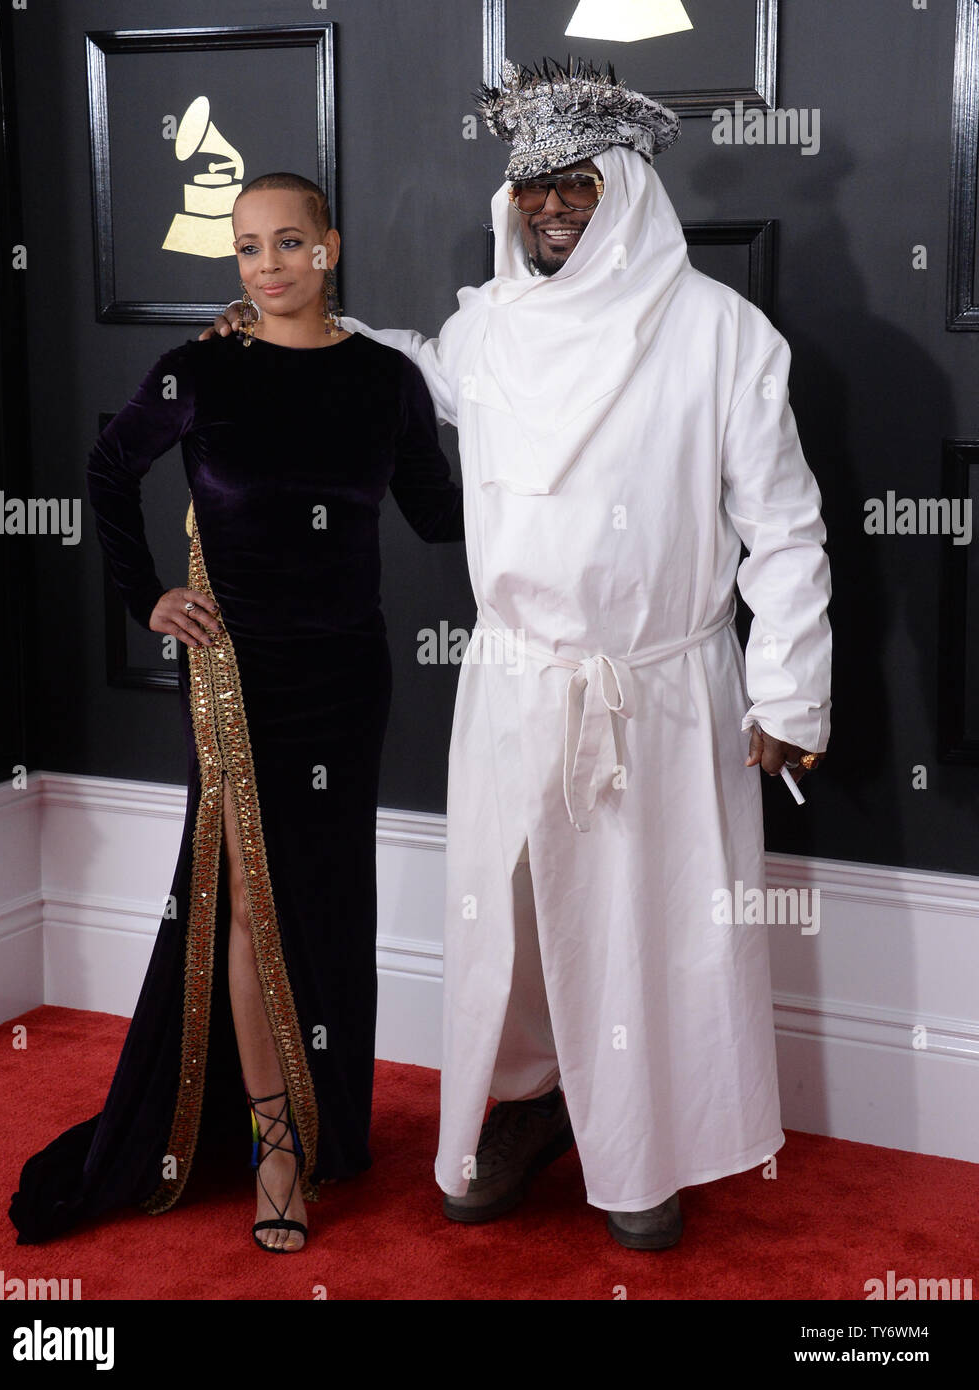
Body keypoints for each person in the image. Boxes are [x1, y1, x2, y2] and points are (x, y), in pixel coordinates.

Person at [210, 57, 832, 1251]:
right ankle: (529, 1107)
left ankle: (645, 1142)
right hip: (511, 683)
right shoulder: (484, 328)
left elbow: (785, 527)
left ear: (628, 192)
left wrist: (790, 687)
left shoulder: (720, 336)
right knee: (515, 923)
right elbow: (395, 371)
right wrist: (284, 321)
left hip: (656, 689)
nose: (551, 209)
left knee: (648, 922)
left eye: (577, 188)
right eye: (533, 189)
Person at [9, 172, 464, 1253]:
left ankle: (326, 1120)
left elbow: (443, 519)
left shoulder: (386, 380)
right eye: (249, 247)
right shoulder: (200, 371)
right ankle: (274, 1147)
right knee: (246, 900)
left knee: (326, 897)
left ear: (329, 248)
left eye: (289, 243)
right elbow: (107, 471)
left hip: (347, 678)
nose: (268, 265)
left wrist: (535, 424)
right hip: (234, 674)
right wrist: (148, 597)